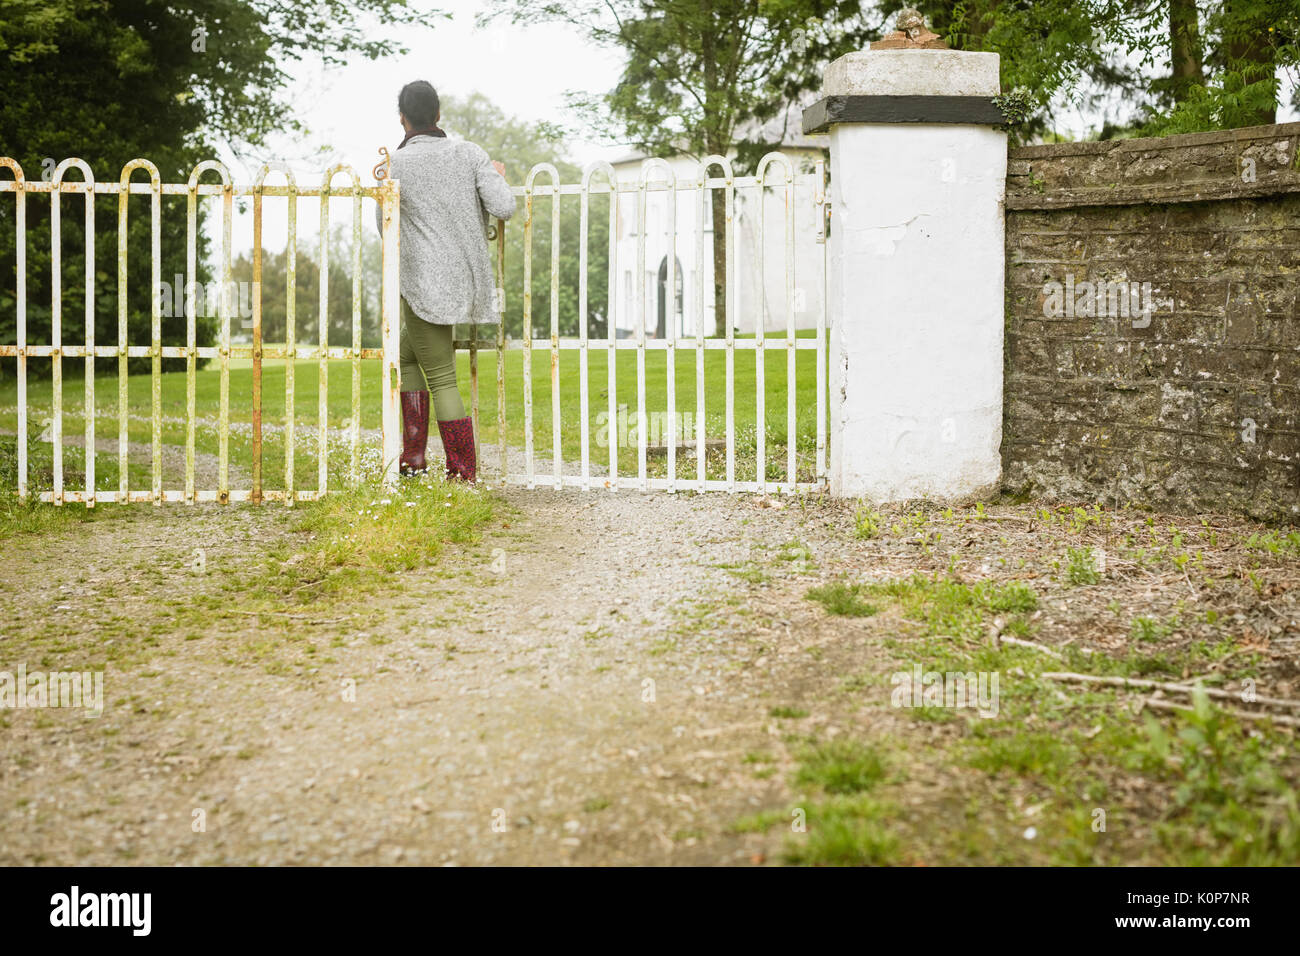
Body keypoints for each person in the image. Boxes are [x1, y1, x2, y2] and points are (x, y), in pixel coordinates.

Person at [378, 80, 515, 481]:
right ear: (438, 115)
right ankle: (414, 460)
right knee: (407, 356)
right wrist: (494, 175)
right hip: (466, 280)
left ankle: (462, 473)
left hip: (422, 286)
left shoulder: (395, 166)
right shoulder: (470, 154)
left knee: (441, 376)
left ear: (402, 118)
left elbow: (386, 229)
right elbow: (504, 207)